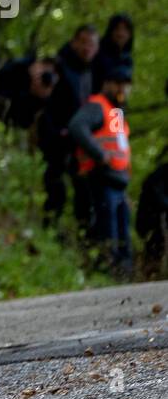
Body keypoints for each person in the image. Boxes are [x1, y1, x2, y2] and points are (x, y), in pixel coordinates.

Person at [69, 65, 133, 272]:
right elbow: (77, 126)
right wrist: (99, 154)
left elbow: (120, 149)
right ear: (107, 84)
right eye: (118, 84)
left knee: (123, 236)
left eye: (126, 85)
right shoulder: (97, 106)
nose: (122, 89)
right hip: (101, 178)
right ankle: (107, 273)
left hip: (119, 182)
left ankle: (124, 275)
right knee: (108, 234)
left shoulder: (115, 112)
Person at [39, 24, 99, 223]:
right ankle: (49, 224)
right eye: (83, 42)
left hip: (80, 141)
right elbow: (46, 90)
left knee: (84, 190)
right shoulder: (60, 64)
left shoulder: (92, 73)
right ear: (74, 42)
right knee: (55, 185)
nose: (86, 48)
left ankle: (82, 234)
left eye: (91, 44)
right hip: (57, 137)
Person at [0, 55, 58, 133]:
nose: (40, 79)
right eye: (44, 73)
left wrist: (39, 97)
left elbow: (22, 124)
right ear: (39, 64)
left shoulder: (34, 101)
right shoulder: (17, 66)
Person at [92, 13, 134, 87]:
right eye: (117, 29)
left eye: (125, 30)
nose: (120, 34)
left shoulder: (127, 59)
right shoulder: (97, 53)